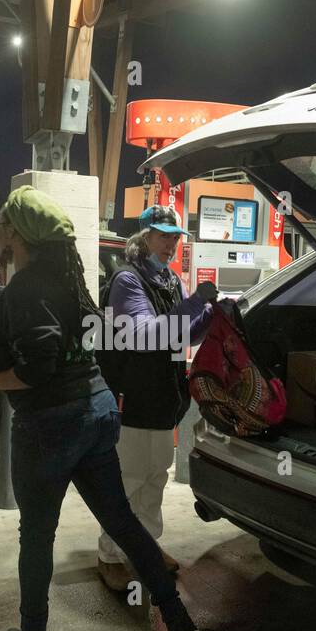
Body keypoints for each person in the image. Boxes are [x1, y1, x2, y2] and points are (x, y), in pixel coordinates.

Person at [0, 185, 205, 631]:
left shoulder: (30, 289)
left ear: (22, 235)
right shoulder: (64, 280)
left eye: (5, 223)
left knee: (37, 537)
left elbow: (36, 368)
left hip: (50, 426)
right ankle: (181, 624)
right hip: (95, 415)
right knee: (125, 523)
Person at [96, 206, 217, 591]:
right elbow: (146, 335)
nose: (172, 243)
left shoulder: (170, 280)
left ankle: (146, 547)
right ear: (144, 236)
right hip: (134, 398)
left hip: (165, 397)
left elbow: (182, 336)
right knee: (129, 479)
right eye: (163, 235)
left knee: (155, 478)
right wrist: (196, 302)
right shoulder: (127, 281)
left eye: (176, 236)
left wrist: (212, 315)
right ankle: (110, 555)